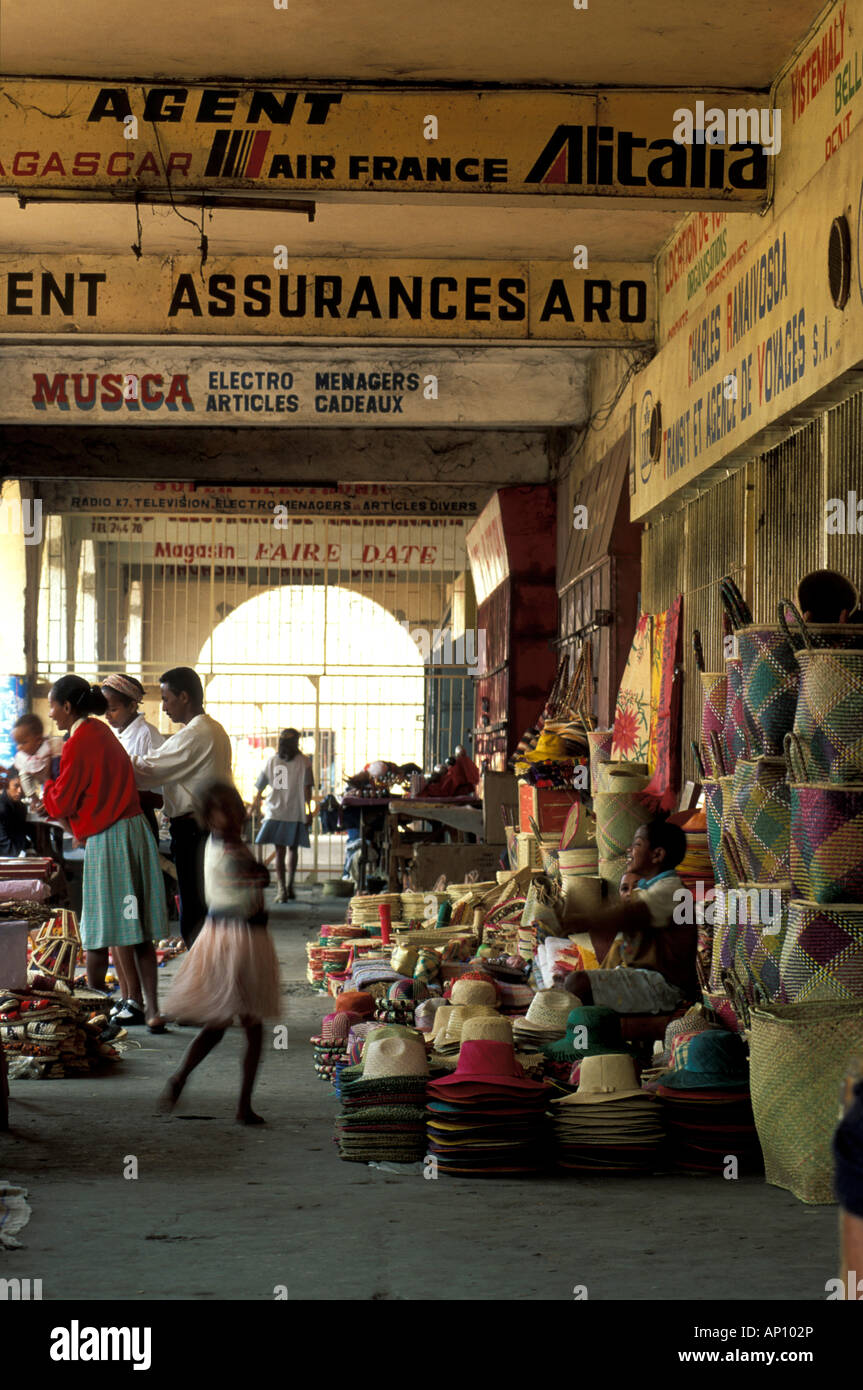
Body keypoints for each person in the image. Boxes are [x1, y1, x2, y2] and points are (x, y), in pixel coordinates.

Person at [37, 675, 168, 1031]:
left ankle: (124, 1000)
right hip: (132, 829)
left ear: (66, 707)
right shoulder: (103, 733)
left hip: (111, 837)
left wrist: (44, 786)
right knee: (135, 925)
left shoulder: (81, 740)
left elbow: (63, 799)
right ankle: (149, 1008)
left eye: (52, 705)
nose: (51, 713)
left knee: (121, 925)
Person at [159, 781, 281, 1126]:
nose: (234, 816)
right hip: (239, 940)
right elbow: (256, 879)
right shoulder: (228, 849)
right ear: (209, 819)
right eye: (224, 811)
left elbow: (257, 878)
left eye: (235, 809)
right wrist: (261, 872)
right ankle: (243, 1105)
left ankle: (182, 1077)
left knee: (220, 1023)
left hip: (231, 935)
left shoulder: (224, 843)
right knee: (250, 1024)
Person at [130, 667, 233, 948]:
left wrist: (110, 756)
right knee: (200, 901)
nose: (163, 708)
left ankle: (200, 974)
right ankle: (206, 971)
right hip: (205, 827)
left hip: (194, 829)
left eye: (166, 699)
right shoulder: (214, 730)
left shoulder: (196, 734)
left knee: (194, 905)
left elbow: (148, 769)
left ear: (184, 697)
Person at [560, 819, 696, 1015]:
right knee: (577, 983)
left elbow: (626, 916)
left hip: (666, 987)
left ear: (657, 855)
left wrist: (580, 919)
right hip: (649, 979)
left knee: (578, 984)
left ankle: (592, 1039)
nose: (630, 850)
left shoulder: (670, 890)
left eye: (637, 844)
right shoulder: (652, 888)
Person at [249, 727, 314, 902]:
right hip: (296, 812)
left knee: (280, 851)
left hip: (276, 811)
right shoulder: (304, 762)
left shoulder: (272, 761)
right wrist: (308, 811)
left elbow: (261, 786)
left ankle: (281, 889)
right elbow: (307, 789)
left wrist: (254, 805)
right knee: (293, 849)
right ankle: (290, 886)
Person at [101, 674, 165, 842]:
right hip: (118, 816)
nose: (107, 715)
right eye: (105, 710)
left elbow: (159, 785)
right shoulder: (113, 733)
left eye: (113, 709)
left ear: (131, 706)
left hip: (141, 816)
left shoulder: (147, 735)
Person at [12, 714, 63, 800]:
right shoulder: (25, 759)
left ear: (38, 740)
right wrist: (33, 797)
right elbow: (25, 779)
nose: (19, 747)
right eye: (18, 743)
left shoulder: (53, 746)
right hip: (49, 789)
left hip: (60, 785)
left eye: (23, 743)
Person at [0, 775, 31, 856]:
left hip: (18, 850)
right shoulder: (1, 806)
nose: (20, 791)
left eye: (23, 787)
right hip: (7, 854)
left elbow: (21, 832)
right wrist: (18, 855)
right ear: (7, 786)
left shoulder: (21, 806)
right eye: (16, 786)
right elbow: (2, 839)